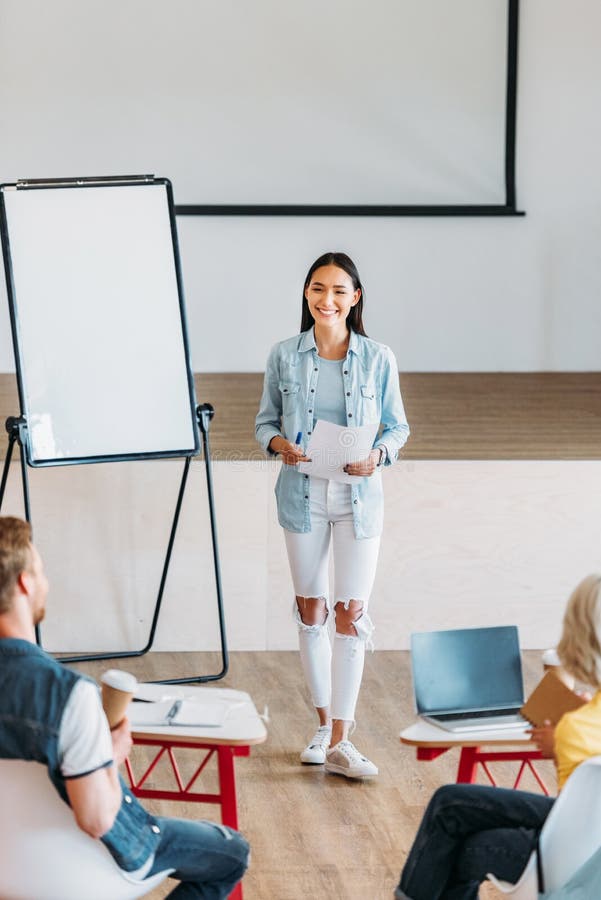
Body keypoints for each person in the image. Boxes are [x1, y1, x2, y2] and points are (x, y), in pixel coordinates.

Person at [0, 516, 249, 900]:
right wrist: (110, 755)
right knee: (231, 852)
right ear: (24, 583)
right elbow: (96, 819)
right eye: (41, 571)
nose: (45, 583)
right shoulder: (68, 695)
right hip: (85, 872)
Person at [256, 251, 410, 779]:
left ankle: (344, 738)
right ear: (307, 295)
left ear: (355, 298)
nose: (328, 300)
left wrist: (377, 457)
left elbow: (397, 429)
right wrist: (281, 445)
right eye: (319, 289)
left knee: (351, 613)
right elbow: (263, 424)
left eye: (339, 291)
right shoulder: (283, 355)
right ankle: (323, 727)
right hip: (302, 496)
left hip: (358, 499)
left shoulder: (377, 357)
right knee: (311, 610)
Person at [394, 573, 601, 900]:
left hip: (570, 855)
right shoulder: (583, 722)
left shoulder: (575, 728)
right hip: (590, 846)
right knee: (467, 845)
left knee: (451, 806)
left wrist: (560, 742)